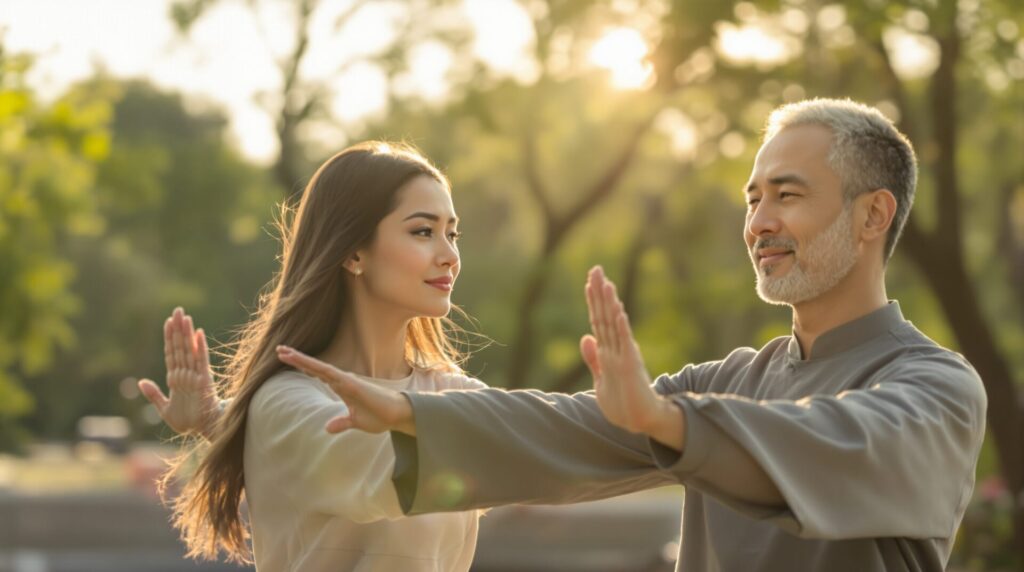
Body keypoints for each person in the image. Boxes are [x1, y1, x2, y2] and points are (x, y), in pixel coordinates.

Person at [275, 98, 988, 571]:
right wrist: (414, 414)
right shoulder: (730, 382)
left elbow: (838, 442)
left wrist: (668, 421)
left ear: (872, 217)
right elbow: (570, 429)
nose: (760, 221)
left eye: (788, 194)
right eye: (753, 197)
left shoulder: (937, 388)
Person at [138, 142, 485, 570]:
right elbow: (369, 467)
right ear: (354, 253)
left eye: (452, 234)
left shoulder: (451, 391)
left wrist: (593, 414)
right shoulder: (282, 400)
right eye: (423, 231)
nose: (450, 256)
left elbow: (535, 437)